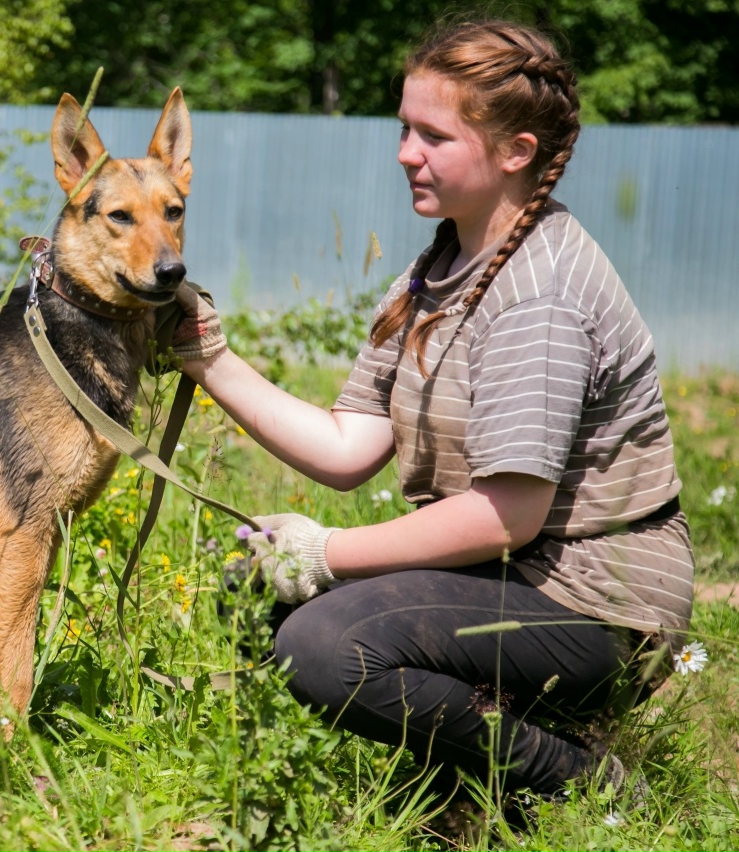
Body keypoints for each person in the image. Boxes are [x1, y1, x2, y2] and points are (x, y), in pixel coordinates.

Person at [169, 18, 693, 798]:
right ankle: (467, 772)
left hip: (596, 606)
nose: (406, 152)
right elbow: (350, 448)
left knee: (321, 643)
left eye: (434, 136)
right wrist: (204, 352)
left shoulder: (537, 296)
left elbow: (505, 517)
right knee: (253, 586)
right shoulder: (444, 262)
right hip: (514, 577)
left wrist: (325, 553)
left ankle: (580, 781)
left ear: (516, 152)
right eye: (405, 128)